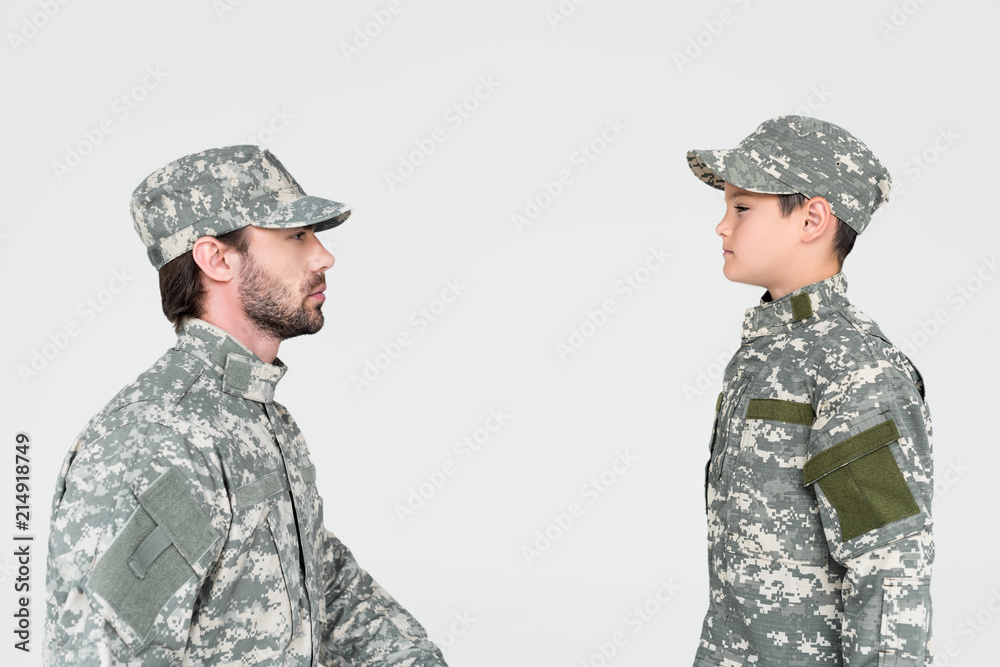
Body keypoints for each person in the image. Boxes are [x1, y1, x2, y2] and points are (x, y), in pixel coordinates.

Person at [45, 145, 448, 666]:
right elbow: (101, 653)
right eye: (295, 235)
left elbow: (324, 584)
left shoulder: (258, 418)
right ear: (216, 258)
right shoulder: (164, 439)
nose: (324, 255)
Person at [686, 116, 934, 666]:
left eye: (742, 208)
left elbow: (888, 565)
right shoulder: (769, 354)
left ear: (813, 219)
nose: (722, 227)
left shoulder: (852, 368)